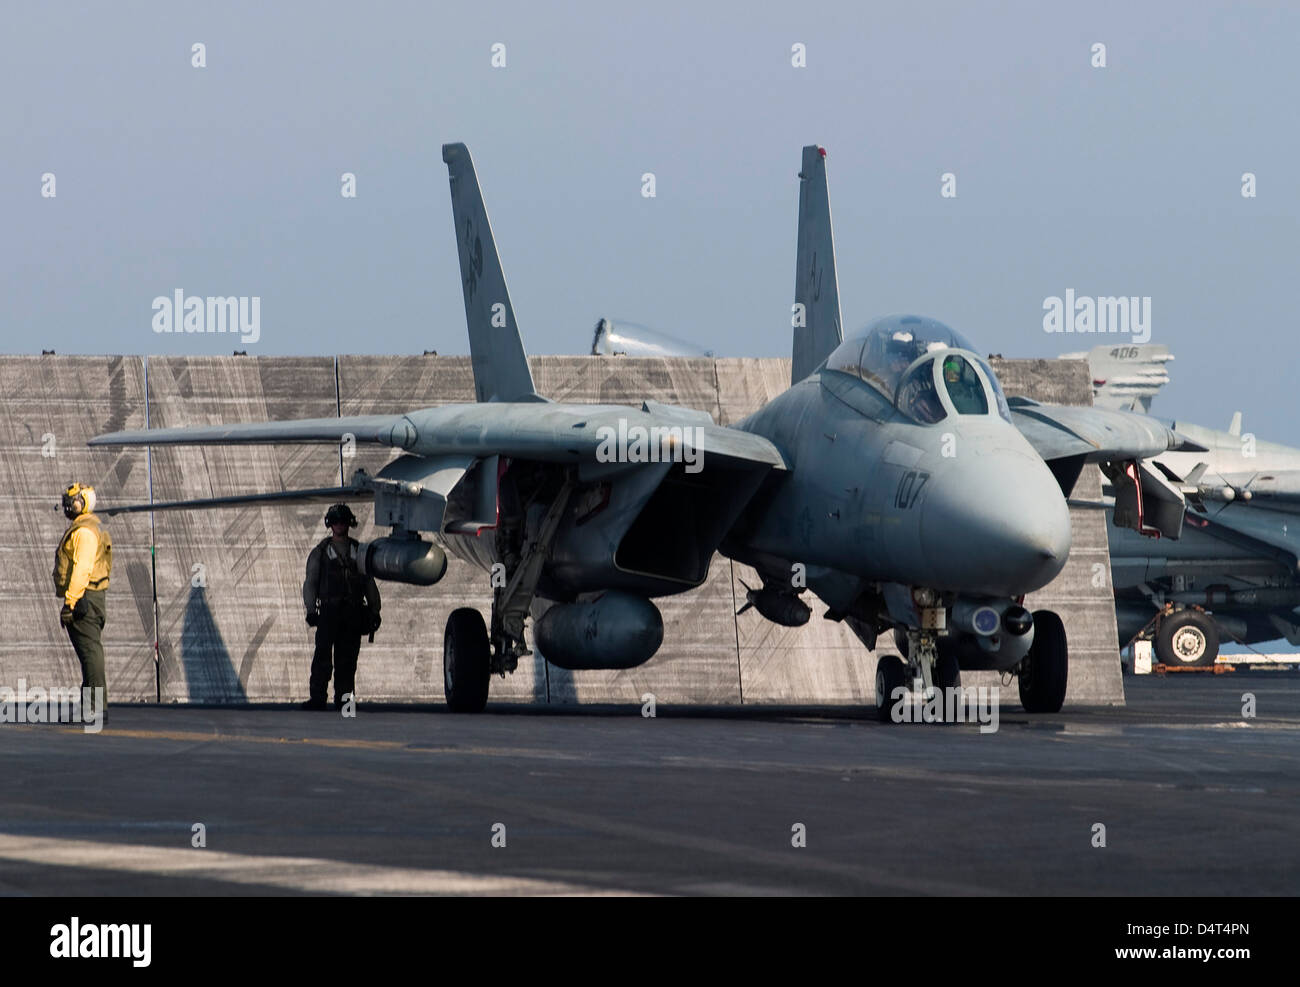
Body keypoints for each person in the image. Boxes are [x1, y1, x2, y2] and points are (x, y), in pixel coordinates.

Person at [301, 504, 380, 710]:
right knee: (322, 658)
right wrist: (311, 610)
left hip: (352, 613)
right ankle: (318, 698)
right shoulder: (320, 553)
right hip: (329, 612)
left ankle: (345, 702)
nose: (339, 525)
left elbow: (369, 583)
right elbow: (310, 582)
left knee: (347, 661)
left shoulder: (359, 551)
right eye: (336, 521)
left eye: (343, 521)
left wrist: (374, 610)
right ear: (330, 524)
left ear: (349, 523)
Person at [52, 482, 112, 722]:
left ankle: (96, 709)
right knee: (89, 653)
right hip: (89, 595)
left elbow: (82, 569)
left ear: (84, 502)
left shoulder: (84, 532)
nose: (69, 505)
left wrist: (71, 602)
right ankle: (90, 707)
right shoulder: (87, 527)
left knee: (90, 653)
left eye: (73, 500)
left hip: (84, 596)